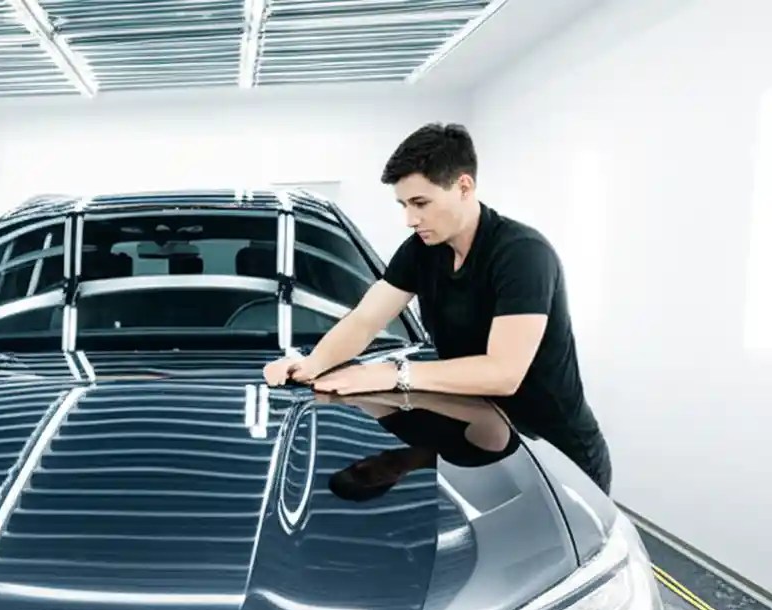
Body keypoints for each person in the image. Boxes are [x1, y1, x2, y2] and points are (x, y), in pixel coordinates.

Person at [262, 123, 613, 494]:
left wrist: (391, 373)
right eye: (403, 205)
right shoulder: (422, 250)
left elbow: (504, 372)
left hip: (553, 455)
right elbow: (365, 320)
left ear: (464, 187)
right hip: (479, 446)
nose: (410, 219)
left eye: (421, 203)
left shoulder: (522, 254)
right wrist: (312, 363)